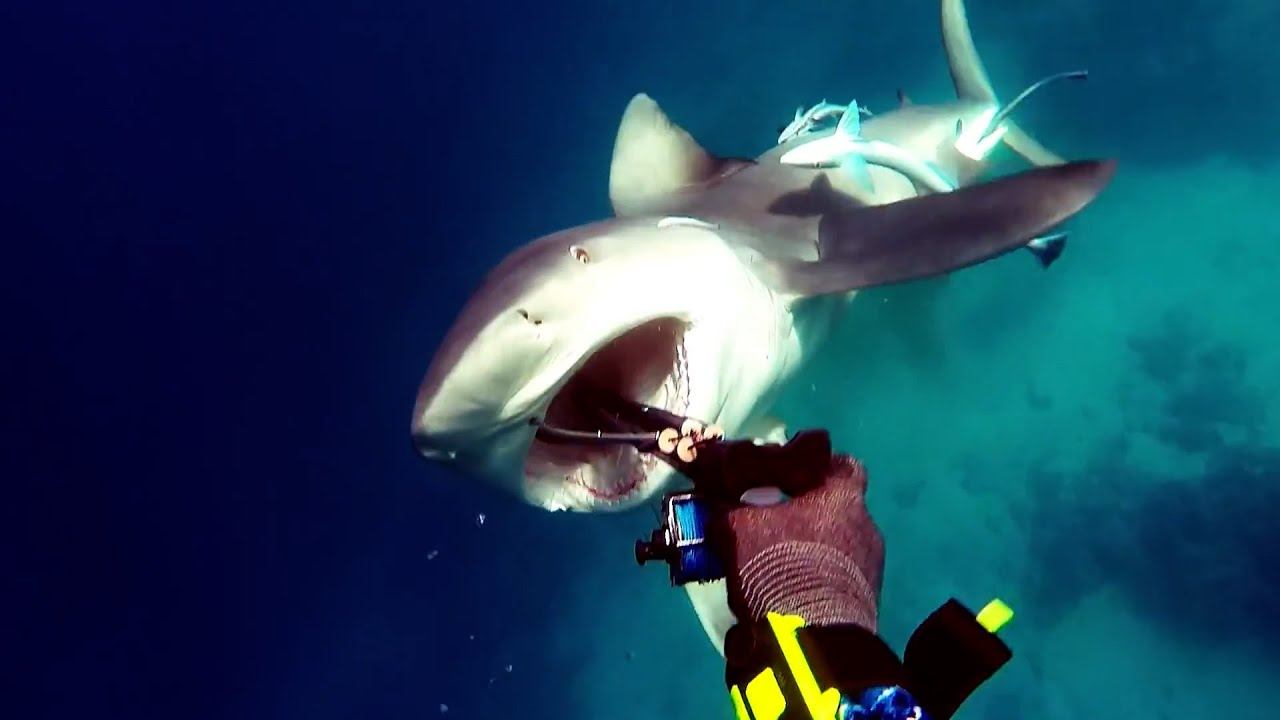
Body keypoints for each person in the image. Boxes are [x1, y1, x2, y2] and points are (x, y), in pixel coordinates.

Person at [647, 426, 1015, 720]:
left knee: (838, 486)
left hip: (834, 589)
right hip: (811, 595)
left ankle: (742, 473)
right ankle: (736, 475)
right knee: (800, 507)